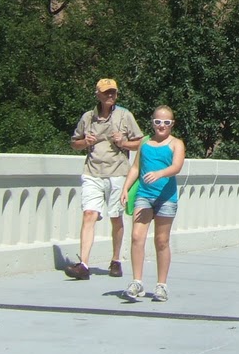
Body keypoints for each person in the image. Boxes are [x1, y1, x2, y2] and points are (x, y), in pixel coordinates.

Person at [65, 78, 143, 280]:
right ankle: (83, 264)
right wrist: (85, 142)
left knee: (116, 218)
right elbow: (75, 143)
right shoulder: (88, 118)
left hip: (117, 173)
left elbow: (140, 142)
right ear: (98, 95)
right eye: (107, 92)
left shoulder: (124, 116)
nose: (111, 96)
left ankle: (116, 260)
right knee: (89, 214)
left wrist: (124, 142)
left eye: (113, 92)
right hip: (92, 172)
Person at [121, 106, 185, 301]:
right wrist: (125, 188)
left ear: (172, 124)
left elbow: (177, 166)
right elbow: (135, 168)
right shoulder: (145, 143)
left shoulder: (176, 144)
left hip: (166, 198)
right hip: (144, 195)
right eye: (158, 122)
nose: (161, 126)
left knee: (161, 240)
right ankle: (137, 282)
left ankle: (161, 285)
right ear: (153, 122)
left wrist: (159, 173)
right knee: (136, 237)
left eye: (166, 122)